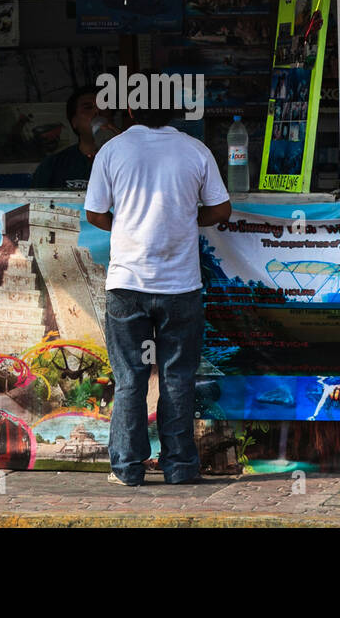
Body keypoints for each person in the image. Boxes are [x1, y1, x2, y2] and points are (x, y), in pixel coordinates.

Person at [84, 94, 231, 486]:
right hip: (180, 286)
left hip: (127, 284)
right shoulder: (195, 150)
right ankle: (180, 467)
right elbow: (220, 211)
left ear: (130, 112)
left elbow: (95, 213)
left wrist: (127, 227)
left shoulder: (112, 151)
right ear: (174, 113)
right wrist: (184, 217)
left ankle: (127, 469)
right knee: (177, 377)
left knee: (129, 379)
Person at [30, 85, 110, 191]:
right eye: (88, 108)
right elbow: (36, 204)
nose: (97, 112)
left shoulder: (126, 160)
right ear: (74, 122)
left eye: (103, 107)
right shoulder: (53, 165)